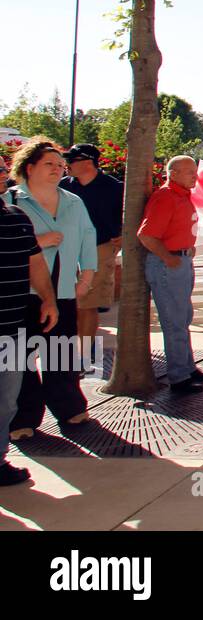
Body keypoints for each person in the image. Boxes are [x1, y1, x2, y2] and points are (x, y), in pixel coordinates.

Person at [5, 138, 96, 439]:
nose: (57, 169)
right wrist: (39, 242)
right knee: (22, 357)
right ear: (29, 167)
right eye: (49, 164)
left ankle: (69, 408)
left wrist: (87, 276)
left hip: (63, 287)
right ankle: (23, 418)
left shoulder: (73, 201)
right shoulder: (11, 201)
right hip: (23, 291)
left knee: (61, 351)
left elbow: (87, 236)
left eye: (60, 165)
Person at [138, 155, 203, 393]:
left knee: (183, 318)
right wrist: (169, 258)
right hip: (168, 264)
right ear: (173, 173)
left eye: (194, 171)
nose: (195, 176)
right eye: (189, 172)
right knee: (174, 322)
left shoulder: (182, 196)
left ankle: (188, 367)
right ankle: (179, 376)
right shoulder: (165, 198)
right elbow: (147, 235)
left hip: (180, 260)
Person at [0, 191, 57, 485]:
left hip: (10, 327)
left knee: (7, 401)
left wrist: (48, 299)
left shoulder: (17, 218)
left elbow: (35, 263)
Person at [60, 143, 123, 366]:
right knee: (69, 302)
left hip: (99, 249)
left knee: (88, 303)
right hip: (66, 250)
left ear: (87, 163)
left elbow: (131, 214)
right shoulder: (63, 187)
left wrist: (123, 233)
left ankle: (84, 354)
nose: (66, 165)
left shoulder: (113, 188)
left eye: (71, 160)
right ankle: (72, 353)